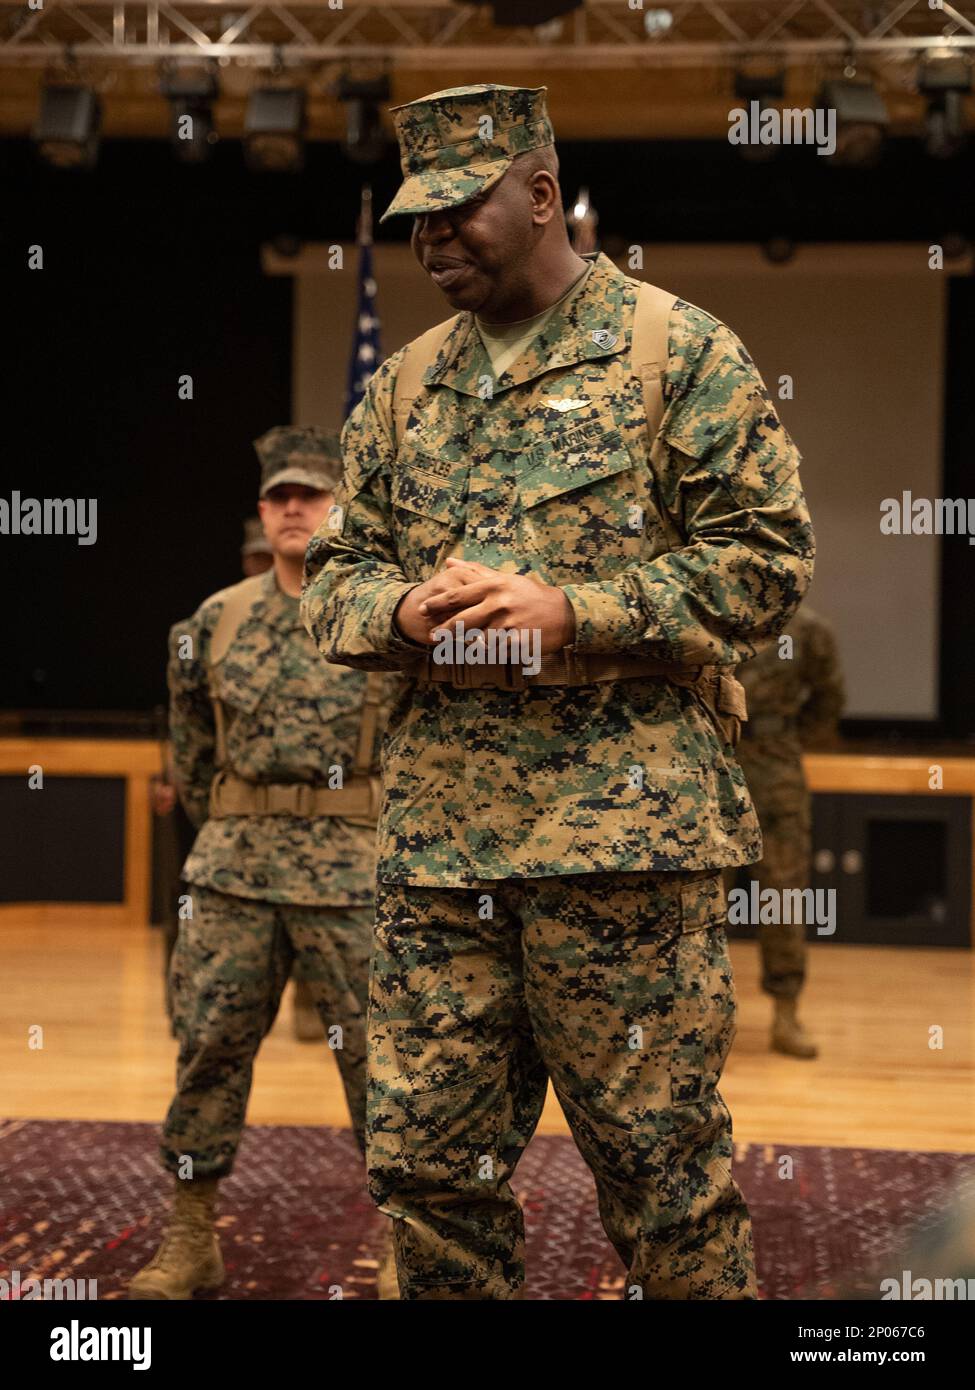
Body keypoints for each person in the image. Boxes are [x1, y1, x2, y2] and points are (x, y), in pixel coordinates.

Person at [301, 83, 816, 1300]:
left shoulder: (674, 350)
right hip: (439, 858)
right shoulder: (404, 387)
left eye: (457, 210)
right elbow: (333, 577)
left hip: (623, 852)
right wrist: (402, 610)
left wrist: (576, 609)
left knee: (661, 1177)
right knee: (427, 1174)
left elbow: (768, 562)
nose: (430, 239)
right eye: (414, 220)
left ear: (542, 196)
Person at [130, 426, 399, 1300]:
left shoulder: (380, 620)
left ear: (340, 511)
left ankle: (410, 1241)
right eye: (279, 496)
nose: (293, 508)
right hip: (234, 873)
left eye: (311, 496)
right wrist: (231, 829)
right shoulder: (213, 620)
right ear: (260, 512)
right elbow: (193, 752)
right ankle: (190, 1237)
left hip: (351, 873)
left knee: (381, 1062)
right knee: (207, 1047)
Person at [726, 605, 845, 1058]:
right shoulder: (706, 616)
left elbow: (829, 699)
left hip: (775, 767)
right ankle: (699, 1020)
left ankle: (786, 1014)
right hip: (709, 760)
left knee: (784, 896)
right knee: (701, 899)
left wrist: (786, 738)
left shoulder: (810, 629)